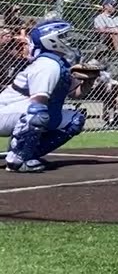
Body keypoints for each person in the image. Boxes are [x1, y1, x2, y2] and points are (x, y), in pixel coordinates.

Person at [0, 19, 87, 173]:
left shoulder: (59, 64)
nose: (69, 40)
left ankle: (28, 153)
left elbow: (76, 94)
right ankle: (17, 160)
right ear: (51, 40)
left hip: (19, 112)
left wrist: (90, 80)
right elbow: (37, 103)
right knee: (38, 113)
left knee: (75, 119)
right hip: (5, 112)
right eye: (64, 36)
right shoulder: (47, 65)